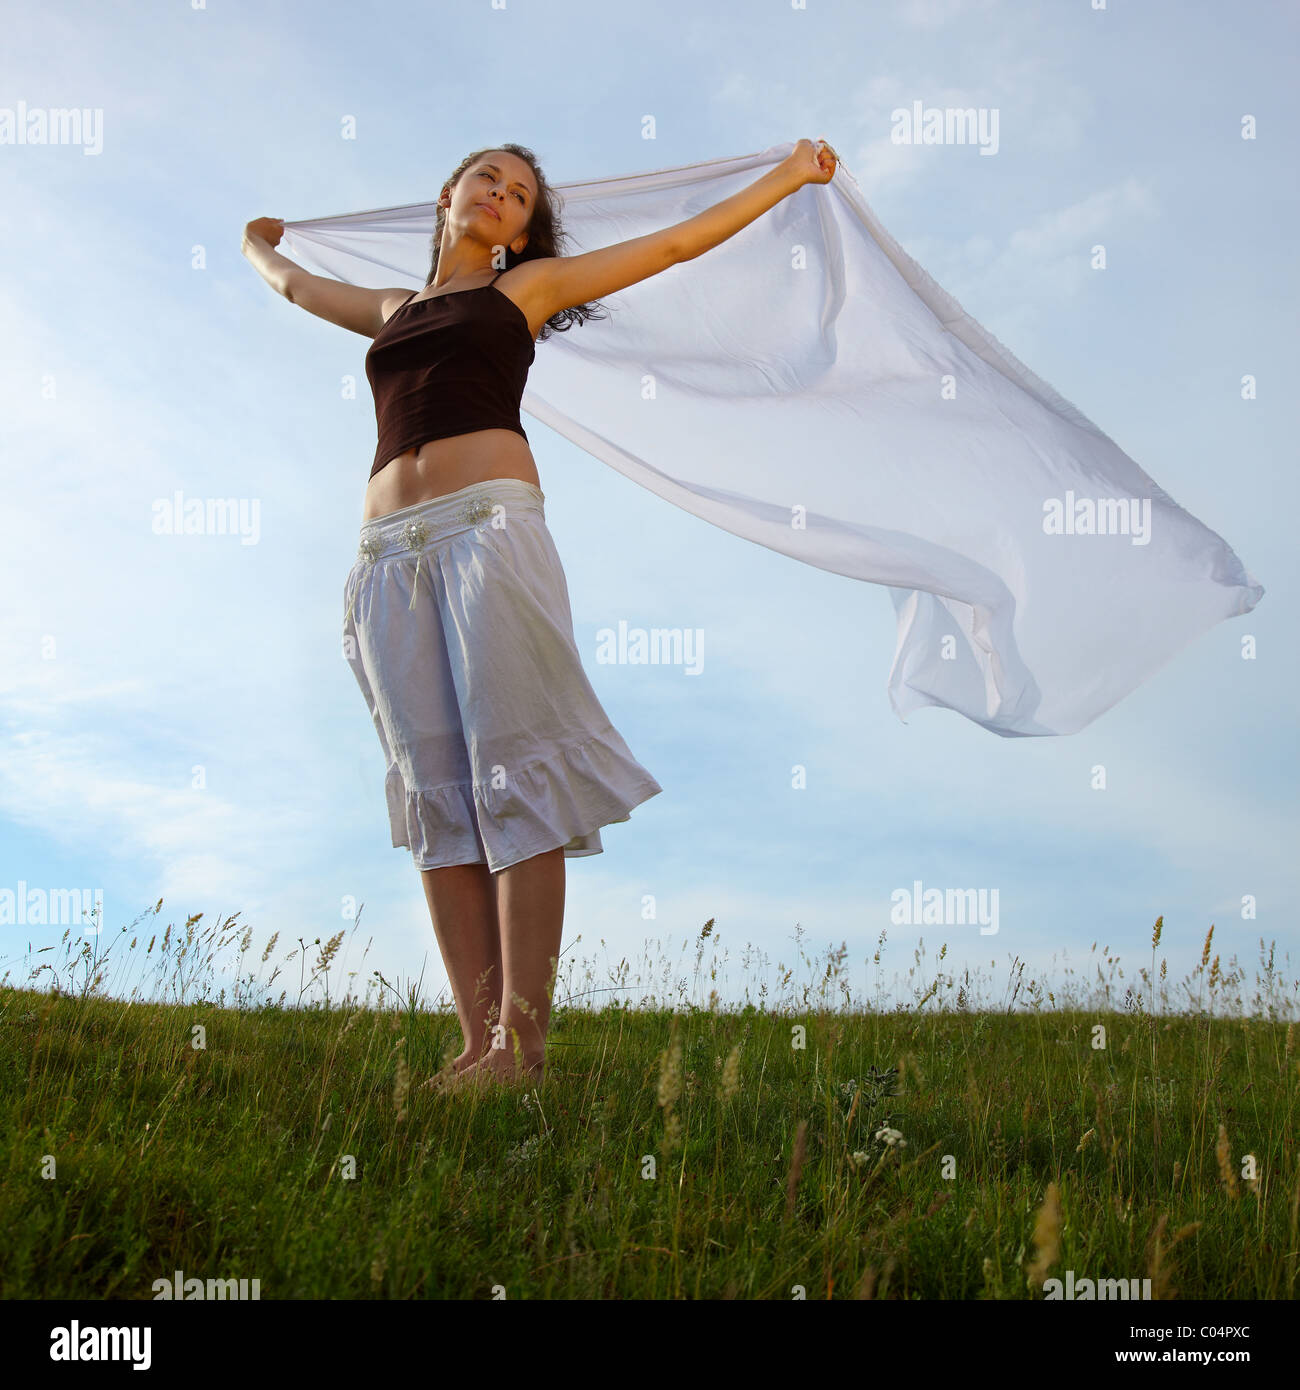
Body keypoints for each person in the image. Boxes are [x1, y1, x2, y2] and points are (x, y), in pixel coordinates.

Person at [240, 138, 838, 1089]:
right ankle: (478, 1046)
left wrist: (789, 178)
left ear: (522, 234)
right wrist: (255, 245)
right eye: (489, 179)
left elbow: (678, 244)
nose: (501, 196)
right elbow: (300, 291)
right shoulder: (396, 309)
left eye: (519, 196)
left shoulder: (524, 293)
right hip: (387, 559)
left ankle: (524, 1049)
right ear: (449, 194)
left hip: (489, 533)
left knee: (512, 773)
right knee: (438, 792)